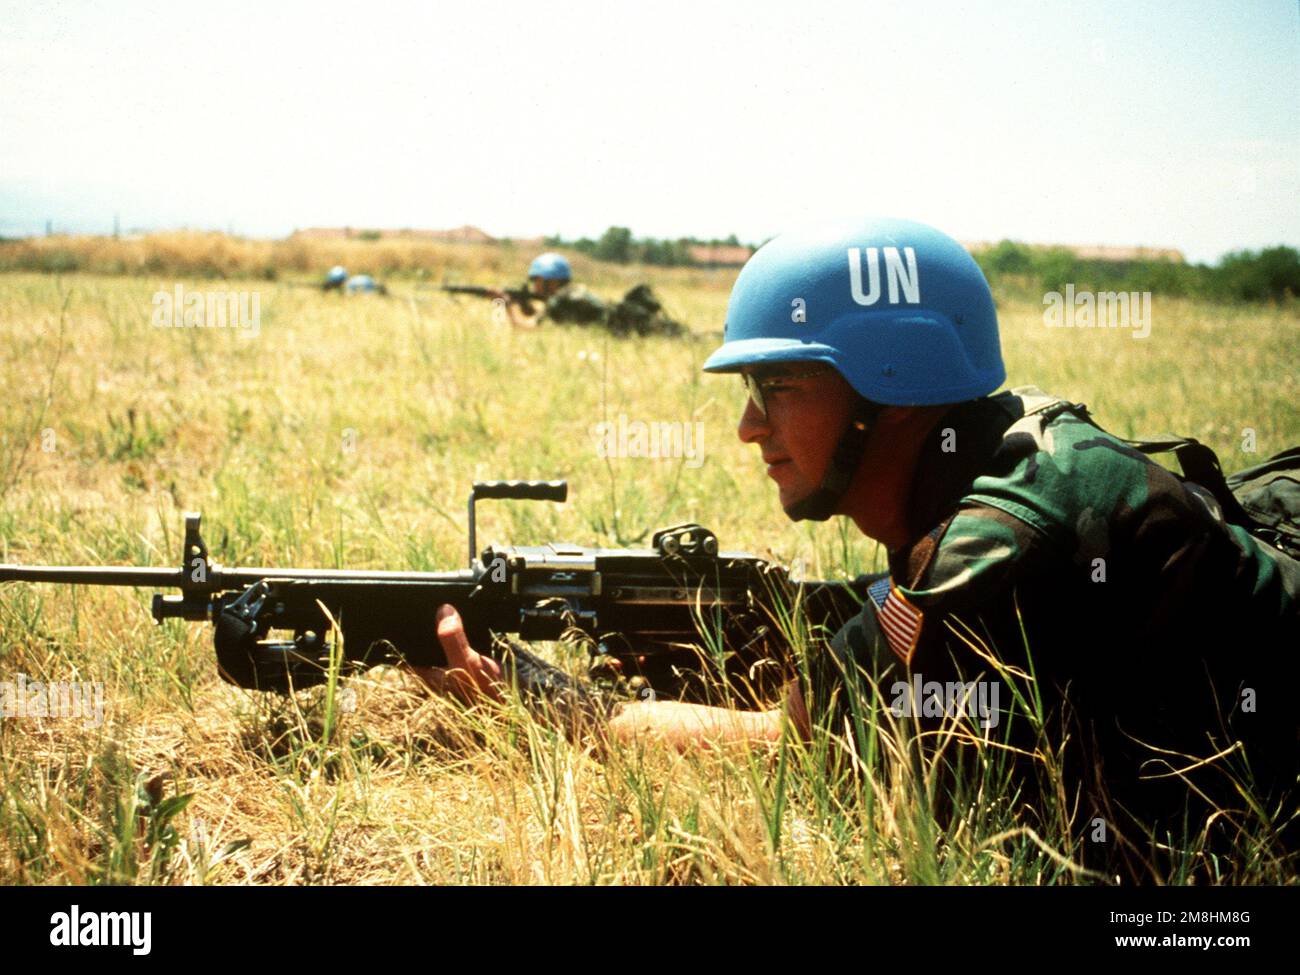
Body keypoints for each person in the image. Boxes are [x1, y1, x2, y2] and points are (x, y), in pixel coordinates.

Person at [412, 218, 1299, 874]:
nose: (748, 426)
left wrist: (550, 700)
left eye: (778, 385)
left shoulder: (985, 553)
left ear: (891, 387)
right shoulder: (994, 436)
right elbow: (875, 608)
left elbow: (788, 746)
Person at [501, 252, 686, 337]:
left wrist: (506, 305)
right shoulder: (569, 294)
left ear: (551, 280)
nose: (534, 286)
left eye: (537, 280)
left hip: (638, 327)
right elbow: (540, 316)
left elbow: (526, 327)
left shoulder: (560, 300)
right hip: (636, 324)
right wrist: (523, 304)